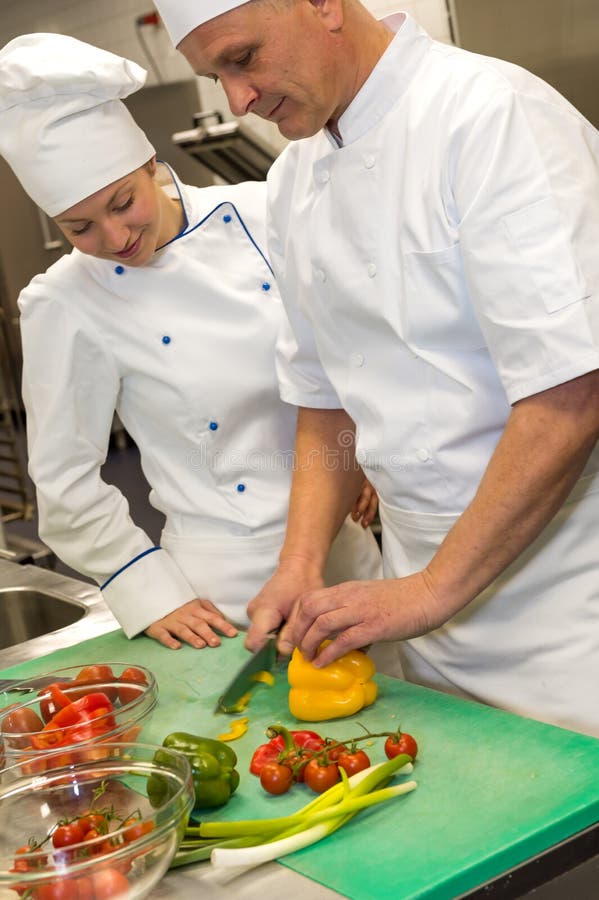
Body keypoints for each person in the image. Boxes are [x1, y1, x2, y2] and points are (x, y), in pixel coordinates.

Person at [154, 0, 599, 735]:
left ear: (324, 4)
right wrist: (301, 560)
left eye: (241, 58)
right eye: (212, 76)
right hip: (420, 603)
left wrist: (429, 590)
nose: (238, 100)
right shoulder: (296, 179)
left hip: (564, 598)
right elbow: (326, 402)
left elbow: (571, 394)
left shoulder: (490, 116)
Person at [0, 32, 382, 651]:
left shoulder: (265, 213)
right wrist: (146, 589)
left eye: (123, 203)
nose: (115, 235)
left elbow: (343, 353)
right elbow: (63, 477)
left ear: (150, 162)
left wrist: (361, 454)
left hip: (348, 554)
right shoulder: (63, 302)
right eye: (79, 227)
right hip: (227, 591)